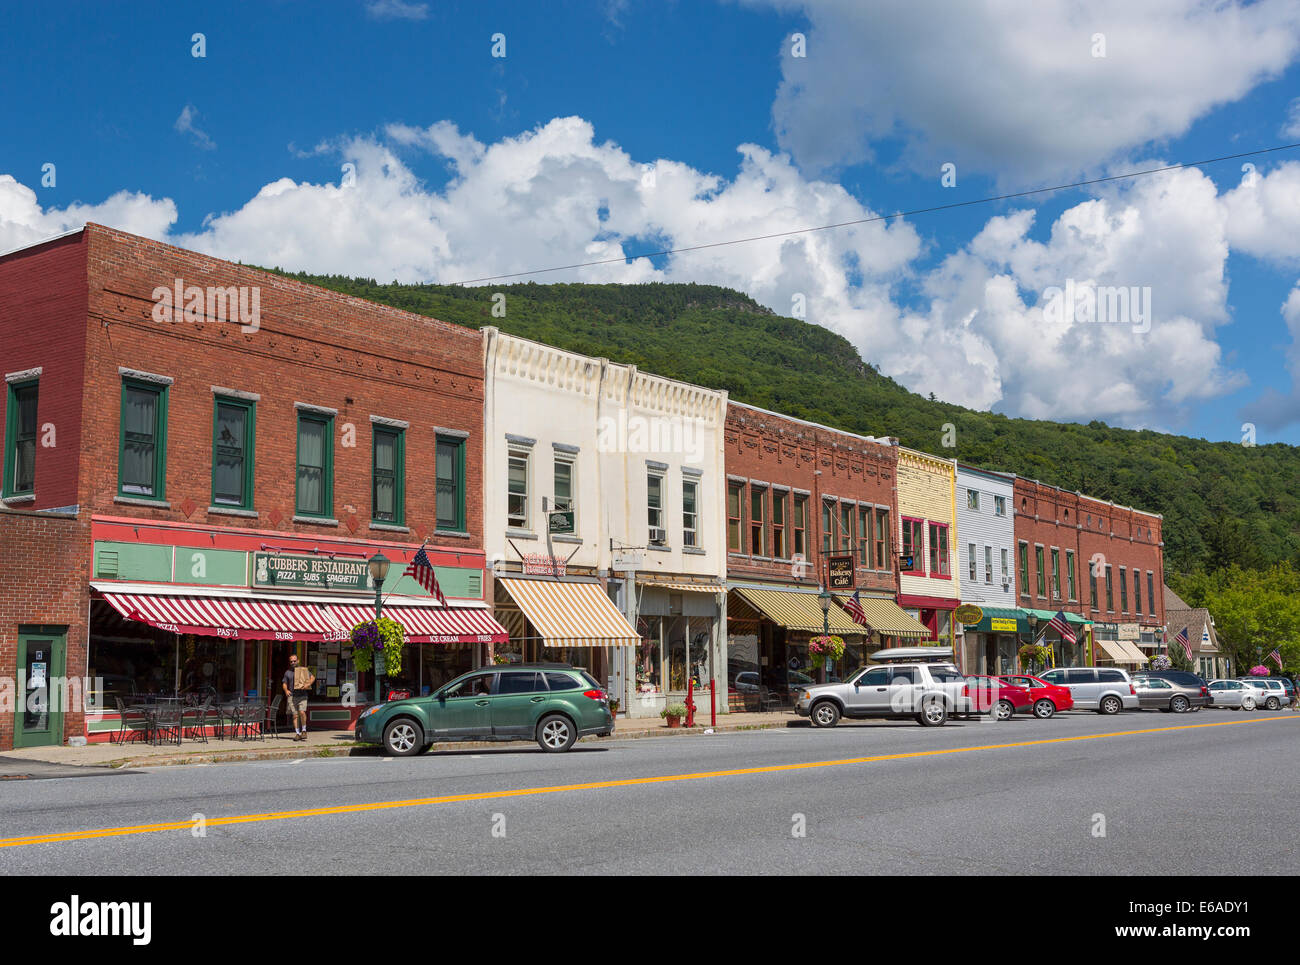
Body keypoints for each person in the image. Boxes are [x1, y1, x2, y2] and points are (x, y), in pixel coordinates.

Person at [282, 654, 316, 741]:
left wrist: (308, 684)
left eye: (294, 661)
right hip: (292, 696)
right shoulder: (288, 672)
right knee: (295, 715)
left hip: (302, 695)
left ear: (298, 661)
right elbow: (284, 683)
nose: (293, 662)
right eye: (291, 661)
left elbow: (312, 677)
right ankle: (297, 733)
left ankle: (304, 730)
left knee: (302, 712)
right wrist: (286, 691)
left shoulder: (303, 670)